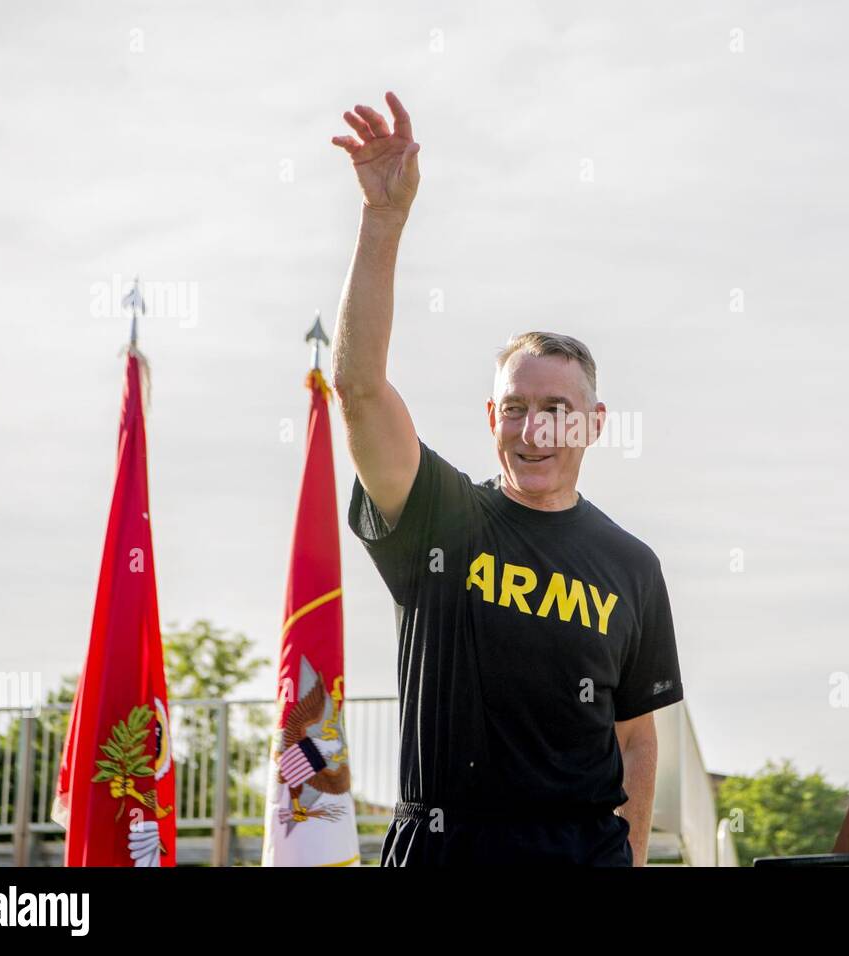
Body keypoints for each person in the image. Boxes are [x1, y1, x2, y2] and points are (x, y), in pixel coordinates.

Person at [330, 93, 684, 866]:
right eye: (516, 408)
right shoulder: (441, 517)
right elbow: (358, 389)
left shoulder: (632, 566)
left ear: (595, 423)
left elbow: (636, 739)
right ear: (491, 417)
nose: (534, 430)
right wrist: (383, 221)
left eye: (557, 408)